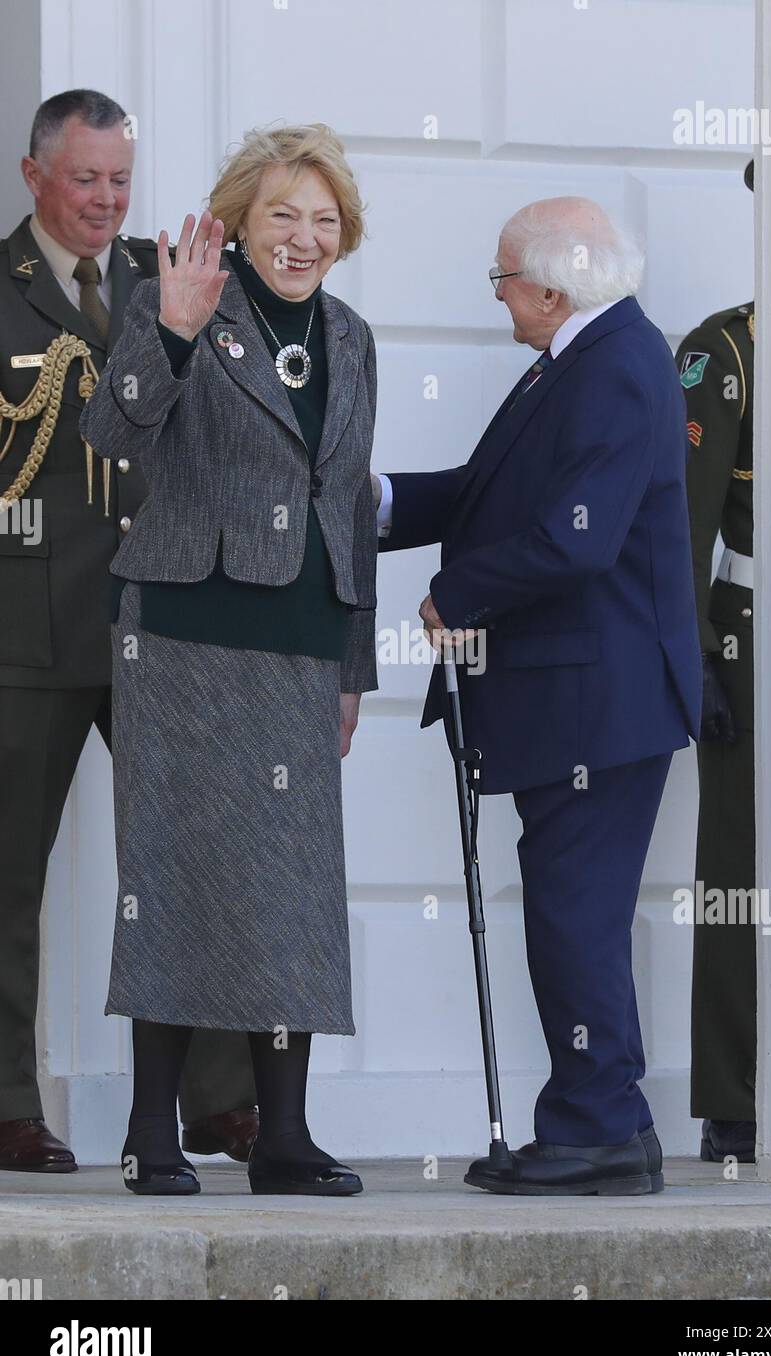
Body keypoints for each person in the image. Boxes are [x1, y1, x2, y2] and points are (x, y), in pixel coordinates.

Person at [373, 196, 701, 1196]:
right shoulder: (587, 360)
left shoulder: (610, 366)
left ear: (552, 288)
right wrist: (367, 501)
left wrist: (454, 593)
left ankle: (595, 1128)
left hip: (594, 704)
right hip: (584, 699)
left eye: (503, 278)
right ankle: (611, 1122)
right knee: (574, 914)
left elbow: (577, 538)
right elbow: (491, 491)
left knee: (573, 918)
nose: (498, 294)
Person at [81, 123, 378, 1197]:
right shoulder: (189, 311)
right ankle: (151, 1136)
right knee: (171, 879)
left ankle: (285, 1137)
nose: (302, 238)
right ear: (238, 226)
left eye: (322, 219)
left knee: (291, 892)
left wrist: (353, 666)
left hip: (301, 647)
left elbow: (348, 502)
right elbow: (110, 436)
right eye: (280, 217)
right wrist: (168, 330)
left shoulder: (349, 336)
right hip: (186, 639)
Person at [0, 88, 257, 1176]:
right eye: (83, 180)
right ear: (33, 176)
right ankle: (10, 1103)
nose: (106, 201)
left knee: (195, 855)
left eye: (119, 180)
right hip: (27, 623)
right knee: (10, 871)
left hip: (164, 614)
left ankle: (219, 1099)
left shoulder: (172, 276)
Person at [677, 158, 756, 1164]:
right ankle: (734, 1093)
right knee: (740, 871)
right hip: (752, 628)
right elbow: (682, 519)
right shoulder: (724, 351)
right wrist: (693, 651)